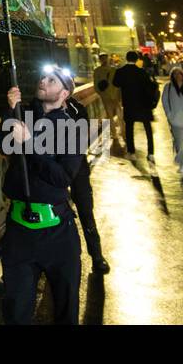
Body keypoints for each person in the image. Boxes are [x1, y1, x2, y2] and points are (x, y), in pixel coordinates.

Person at [0, 67, 84, 324]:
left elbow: (62, 177)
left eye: (51, 80)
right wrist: (10, 110)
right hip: (19, 232)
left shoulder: (72, 128)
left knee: (66, 309)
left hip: (57, 233)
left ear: (64, 93)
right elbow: (1, 144)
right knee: (16, 310)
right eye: (43, 77)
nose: (43, 81)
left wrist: (30, 143)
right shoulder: (24, 114)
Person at [65, 87, 110, 274]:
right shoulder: (40, 110)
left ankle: (97, 256)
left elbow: (83, 135)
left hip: (77, 168)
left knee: (85, 211)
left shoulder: (76, 109)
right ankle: (66, 260)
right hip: (51, 171)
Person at [113, 50, 159, 163]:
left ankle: (131, 152)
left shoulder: (121, 71)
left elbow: (115, 83)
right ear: (136, 59)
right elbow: (149, 85)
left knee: (129, 128)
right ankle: (151, 153)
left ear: (126, 58)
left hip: (129, 104)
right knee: (148, 129)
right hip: (144, 105)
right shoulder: (142, 72)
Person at [92, 51, 123, 151]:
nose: (104, 60)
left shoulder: (97, 71)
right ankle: (120, 132)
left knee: (111, 115)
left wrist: (102, 94)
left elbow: (96, 86)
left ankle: (115, 134)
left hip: (108, 97)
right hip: (112, 96)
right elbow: (118, 84)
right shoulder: (113, 70)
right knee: (118, 114)